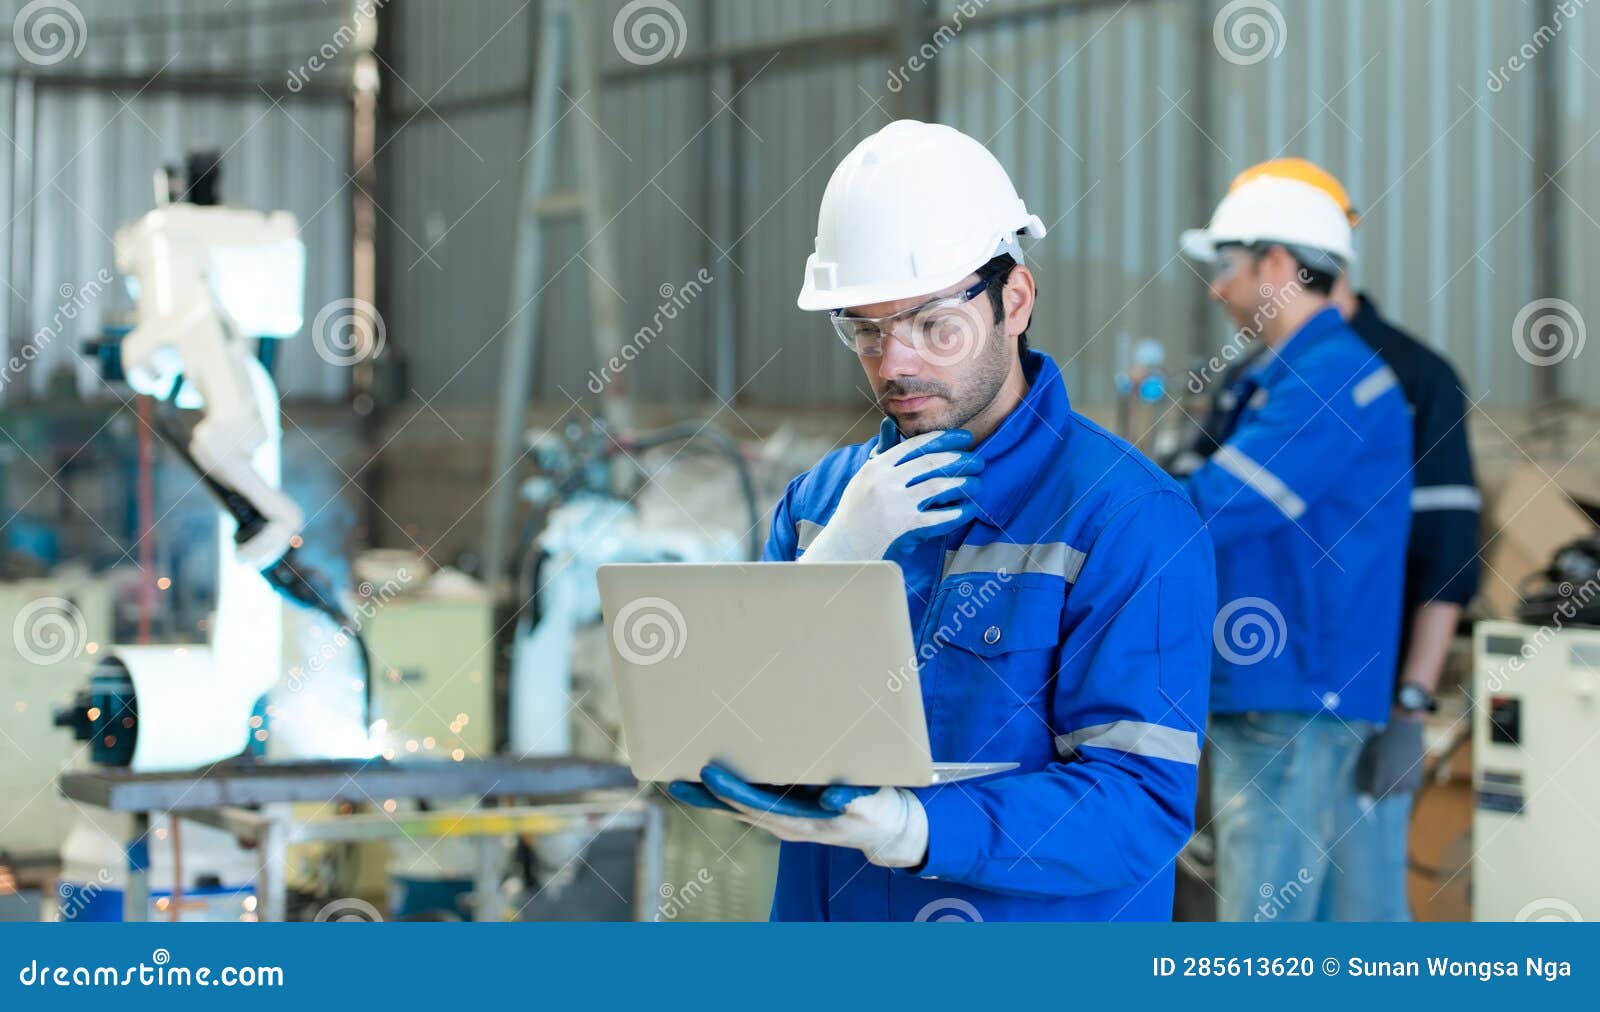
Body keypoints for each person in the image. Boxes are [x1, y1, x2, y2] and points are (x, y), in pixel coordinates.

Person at [670, 120, 1216, 921]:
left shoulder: (1127, 518)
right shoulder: (824, 503)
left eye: (933, 325)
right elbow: (756, 733)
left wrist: (917, 828)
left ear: (1014, 301)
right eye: (867, 330)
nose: (895, 363)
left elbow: (1138, 804)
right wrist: (835, 563)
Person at [1174, 168, 1413, 922]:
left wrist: (1091, 498)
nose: (1217, 290)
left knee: (1263, 933)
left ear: (1275, 264)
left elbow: (1211, 509)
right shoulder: (1298, 377)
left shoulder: (1325, 380)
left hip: (1289, 692)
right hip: (1304, 689)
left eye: (1226, 266)